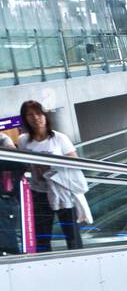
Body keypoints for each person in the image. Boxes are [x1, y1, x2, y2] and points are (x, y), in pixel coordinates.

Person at [18, 100, 86, 252]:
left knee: (71, 234)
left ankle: (77, 259)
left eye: (39, 113)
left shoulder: (59, 138)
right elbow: (24, 164)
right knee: (42, 234)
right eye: (30, 114)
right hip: (39, 192)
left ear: (45, 115)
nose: (36, 117)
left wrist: (52, 166)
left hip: (62, 192)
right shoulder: (23, 140)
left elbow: (76, 163)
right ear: (25, 118)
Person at [0, 134, 25, 254]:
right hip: (7, 201)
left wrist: (9, 146)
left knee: (7, 237)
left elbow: (19, 164)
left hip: (6, 200)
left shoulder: (4, 140)